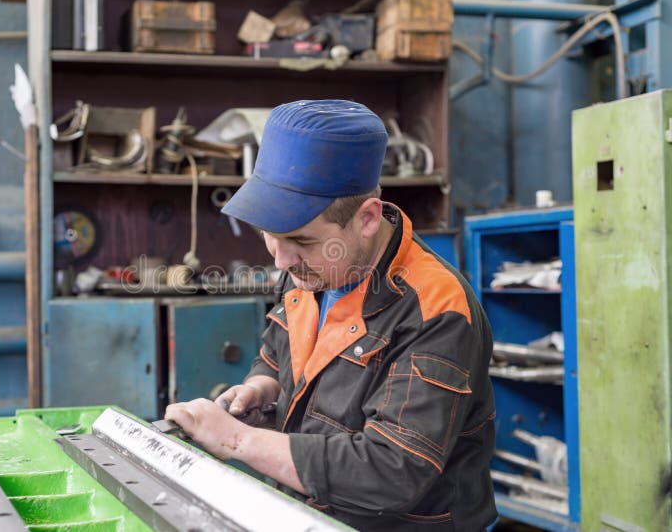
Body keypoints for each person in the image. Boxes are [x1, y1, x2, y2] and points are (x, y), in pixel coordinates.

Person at [165, 100, 496, 531]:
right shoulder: (310, 269)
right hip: (308, 514)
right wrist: (261, 391)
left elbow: (393, 470)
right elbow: (276, 353)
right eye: (270, 235)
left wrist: (236, 440)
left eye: (300, 240)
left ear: (367, 219)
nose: (281, 260)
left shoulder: (436, 311)